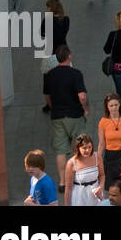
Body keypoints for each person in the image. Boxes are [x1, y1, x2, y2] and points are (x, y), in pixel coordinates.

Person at [43, 45, 90, 182]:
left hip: (57, 116)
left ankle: (63, 181)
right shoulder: (75, 74)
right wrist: (85, 108)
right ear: (69, 55)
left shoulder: (49, 75)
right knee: (81, 145)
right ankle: (80, 176)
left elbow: (47, 96)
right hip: (75, 115)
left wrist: (53, 107)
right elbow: (82, 96)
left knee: (61, 151)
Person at [96, 93, 121, 190]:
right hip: (110, 156)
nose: (114, 108)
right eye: (111, 106)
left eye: (116, 105)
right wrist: (98, 160)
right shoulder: (103, 122)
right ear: (107, 107)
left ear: (120, 105)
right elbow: (101, 143)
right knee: (111, 187)